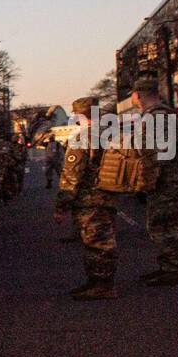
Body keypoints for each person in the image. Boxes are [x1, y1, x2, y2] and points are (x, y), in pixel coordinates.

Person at [55, 96, 118, 300]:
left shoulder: (82, 137)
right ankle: (97, 282)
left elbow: (71, 175)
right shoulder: (110, 134)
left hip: (89, 199)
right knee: (103, 240)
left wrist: (61, 205)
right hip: (107, 194)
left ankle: (102, 285)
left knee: (96, 243)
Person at [133, 74, 178, 285]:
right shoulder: (165, 113)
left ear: (138, 95)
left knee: (162, 224)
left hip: (164, 179)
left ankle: (173, 269)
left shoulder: (155, 117)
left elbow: (153, 154)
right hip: (169, 176)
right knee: (166, 223)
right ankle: (168, 267)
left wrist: (144, 181)